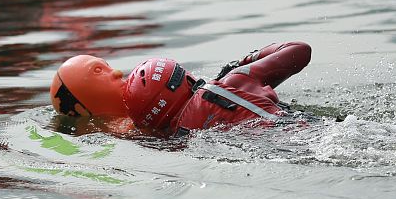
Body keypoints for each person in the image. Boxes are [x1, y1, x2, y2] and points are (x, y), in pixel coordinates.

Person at [50, 42, 312, 136]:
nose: (117, 72)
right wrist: (241, 65)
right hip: (304, 130)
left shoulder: (142, 133)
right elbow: (299, 50)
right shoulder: (233, 82)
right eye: (99, 70)